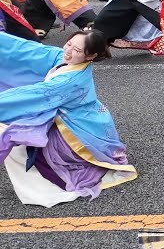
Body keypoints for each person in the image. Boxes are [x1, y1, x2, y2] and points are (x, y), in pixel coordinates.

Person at [0, 30, 137, 206]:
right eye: (69, 44)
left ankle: (39, 187)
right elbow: (25, 50)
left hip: (75, 132)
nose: (68, 51)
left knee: (12, 137)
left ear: (91, 56)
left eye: (77, 50)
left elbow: (28, 95)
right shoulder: (67, 59)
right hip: (86, 121)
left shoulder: (68, 81)